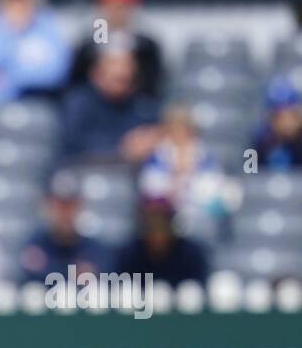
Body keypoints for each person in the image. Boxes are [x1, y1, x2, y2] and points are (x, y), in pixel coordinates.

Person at [138, 104, 235, 243]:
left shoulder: (205, 157)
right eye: (174, 128)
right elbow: (151, 190)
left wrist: (190, 179)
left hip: (200, 217)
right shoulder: (157, 158)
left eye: (184, 128)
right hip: (167, 220)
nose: (180, 134)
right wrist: (174, 179)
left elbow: (213, 191)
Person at [59, 44, 160, 165]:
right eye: (114, 65)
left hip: (136, 171)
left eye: (127, 66)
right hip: (85, 170)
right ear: (96, 73)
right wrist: (122, 150)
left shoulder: (143, 105)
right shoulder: (78, 103)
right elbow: (74, 146)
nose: (123, 71)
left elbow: (155, 136)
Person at [0, 0, 70, 105]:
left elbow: (58, 71)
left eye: (23, 4)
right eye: (12, 5)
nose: (18, 11)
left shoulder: (46, 26)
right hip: (5, 103)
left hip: (45, 98)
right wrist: (10, 33)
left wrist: (17, 77)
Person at [18, 169, 111, 283]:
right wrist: (73, 274)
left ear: (79, 207)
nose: (65, 213)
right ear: (48, 206)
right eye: (60, 206)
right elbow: (31, 275)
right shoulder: (35, 245)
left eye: (70, 206)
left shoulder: (94, 249)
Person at [69, 0, 163, 99]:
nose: (116, 12)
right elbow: (76, 81)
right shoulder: (89, 45)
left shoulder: (146, 46)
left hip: (135, 101)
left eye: (122, 6)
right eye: (110, 5)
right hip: (95, 100)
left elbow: (154, 83)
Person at [112, 195, 209, 286]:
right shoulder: (129, 255)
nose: (157, 231)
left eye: (162, 223)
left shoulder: (191, 254)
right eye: (151, 224)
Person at [250, 76, 302, 171]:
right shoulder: (260, 141)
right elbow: (249, 173)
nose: (286, 123)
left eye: (290, 115)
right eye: (279, 117)